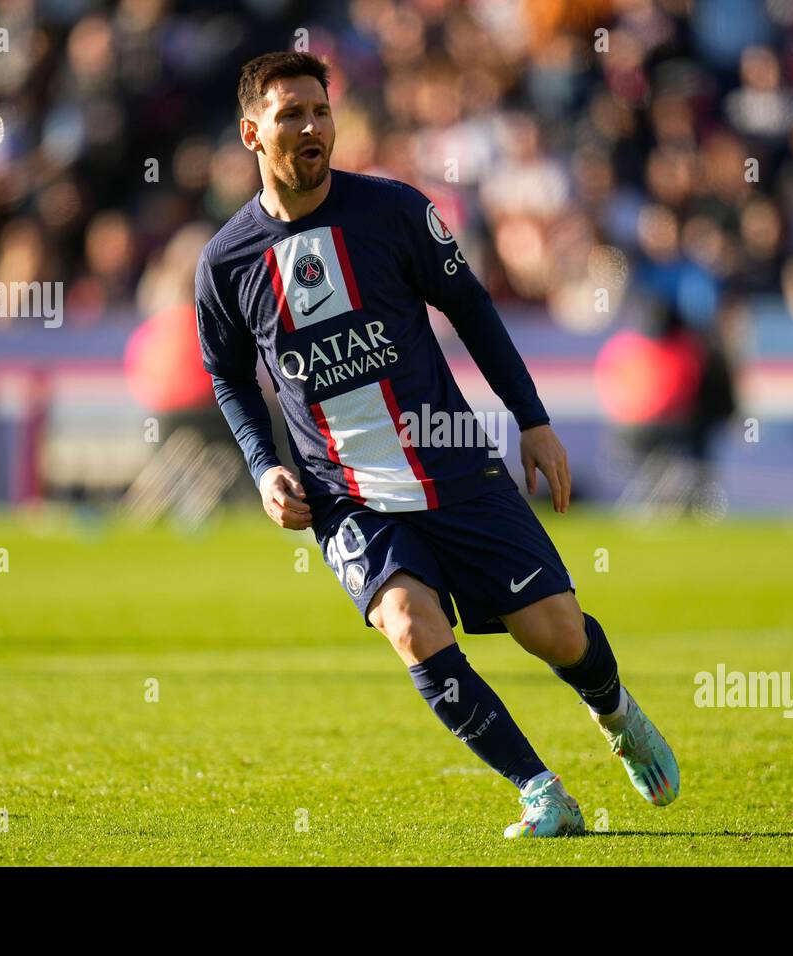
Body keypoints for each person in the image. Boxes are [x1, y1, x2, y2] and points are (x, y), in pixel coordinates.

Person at [196, 52, 680, 838]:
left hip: (450, 461)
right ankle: (540, 791)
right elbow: (227, 376)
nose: (312, 126)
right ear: (253, 132)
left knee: (554, 632)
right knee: (410, 626)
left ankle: (616, 712)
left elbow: (472, 307)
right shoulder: (225, 264)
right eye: (292, 114)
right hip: (345, 493)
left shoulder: (391, 212)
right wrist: (263, 466)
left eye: (320, 110)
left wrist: (532, 418)